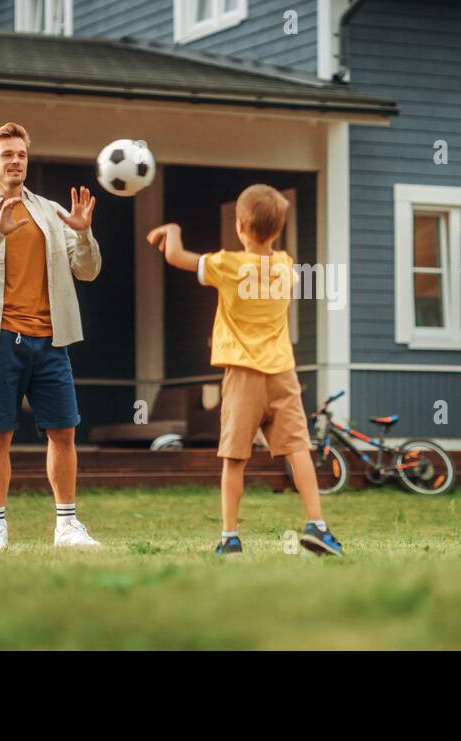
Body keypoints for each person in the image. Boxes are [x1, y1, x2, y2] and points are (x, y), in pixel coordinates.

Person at [146, 184, 343, 556]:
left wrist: (171, 229)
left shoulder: (227, 265)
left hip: (242, 374)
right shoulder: (285, 266)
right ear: (278, 230)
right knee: (298, 448)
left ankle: (230, 536)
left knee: (235, 457)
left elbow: (175, 256)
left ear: (239, 226)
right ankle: (318, 525)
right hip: (283, 373)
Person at [0, 122, 103, 554]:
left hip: (51, 340)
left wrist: (83, 232)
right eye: (7, 154)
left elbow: (86, 270)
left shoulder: (50, 211)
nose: (16, 161)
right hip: (0, 342)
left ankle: (67, 526)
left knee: (64, 433)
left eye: (22, 155)